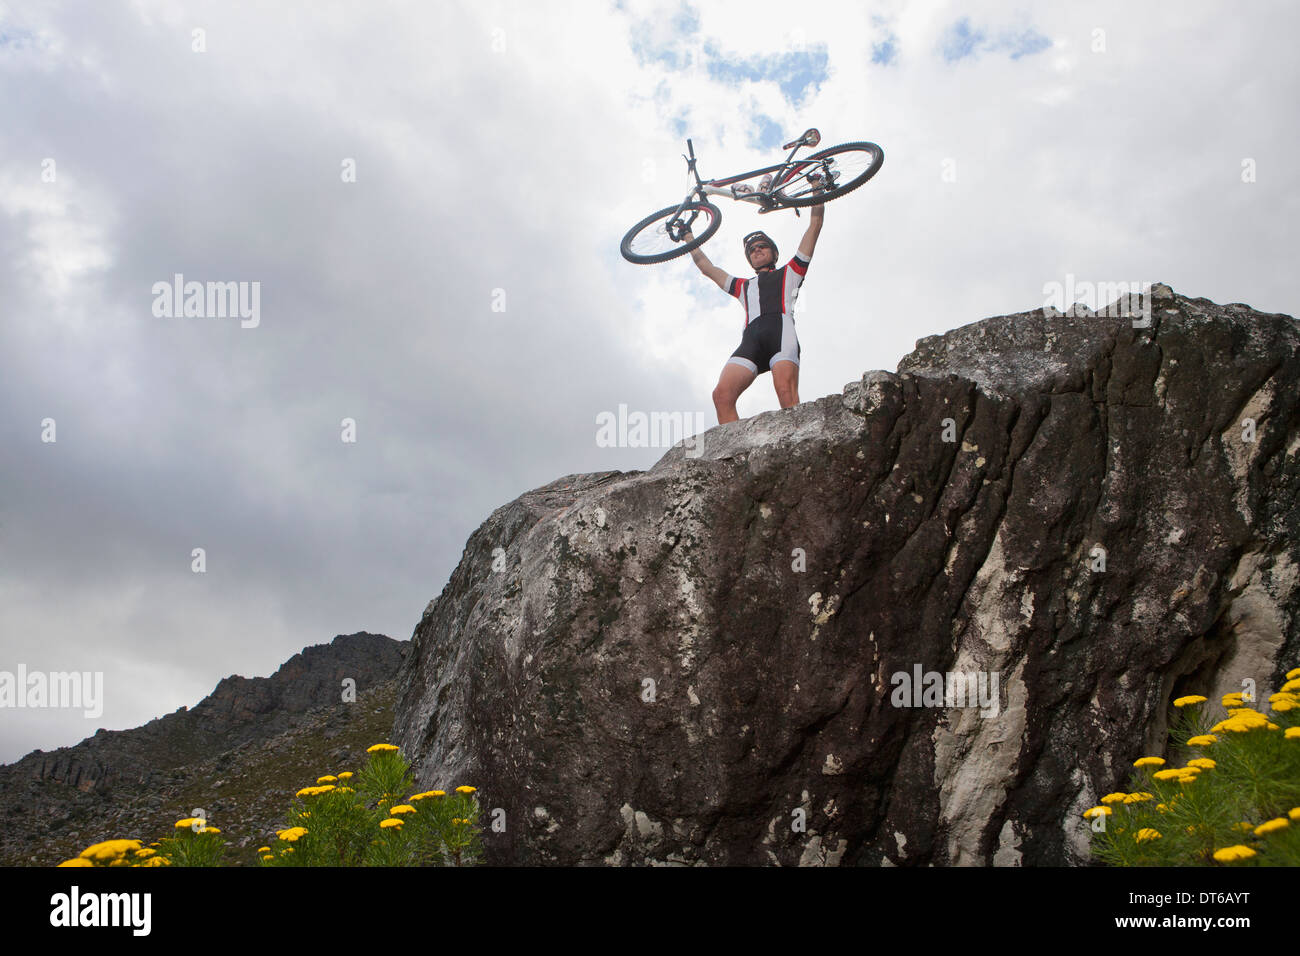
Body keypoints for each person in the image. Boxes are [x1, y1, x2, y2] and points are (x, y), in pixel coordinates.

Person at [685, 193, 825, 423]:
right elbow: (706, 267)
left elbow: (815, 225)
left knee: (786, 395)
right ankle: (735, 454)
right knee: (721, 396)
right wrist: (688, 235)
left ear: (774, 254)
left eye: (762, 247)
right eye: (752, 250)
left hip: (781, 336)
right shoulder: (743, 286)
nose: (757, 251)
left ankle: (798, 445)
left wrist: (817, 188)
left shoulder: (790, 273)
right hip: (751, 342)